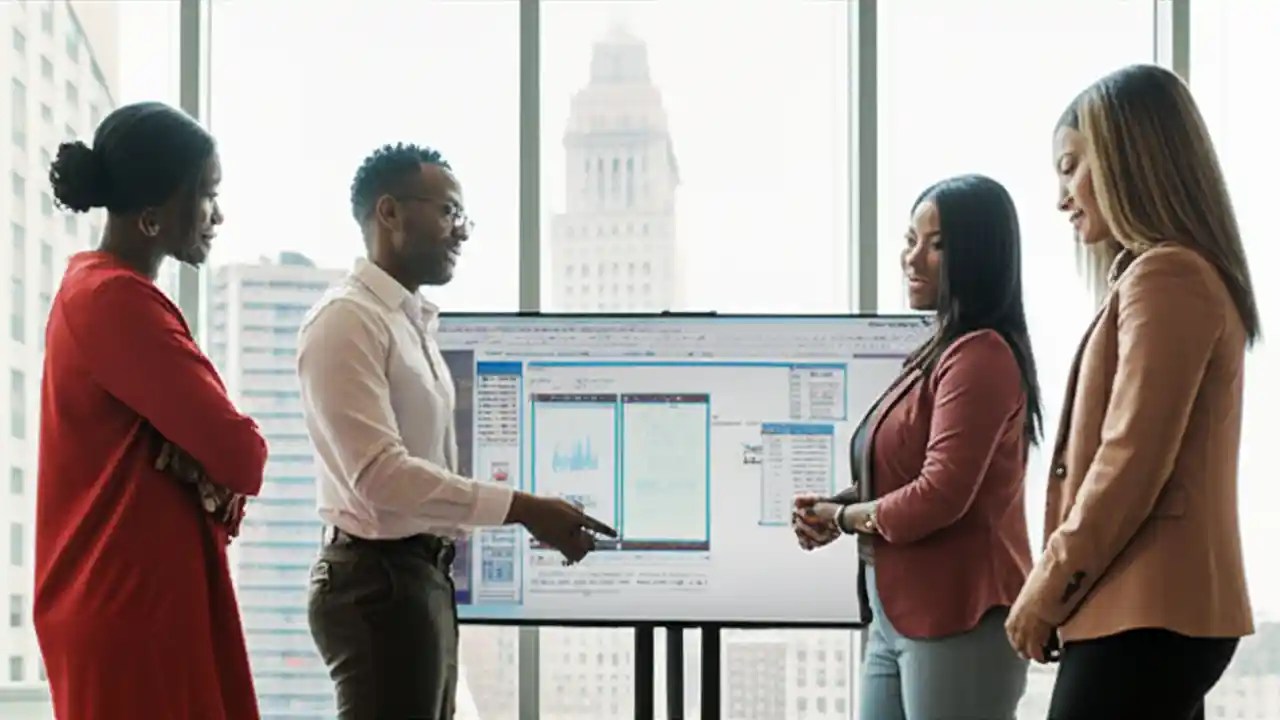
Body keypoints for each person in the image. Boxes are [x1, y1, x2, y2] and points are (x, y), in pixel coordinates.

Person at [299, 143, 618, 720]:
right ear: (389, 213)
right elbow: (379, 477)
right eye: (448, 212)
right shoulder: (347, 320)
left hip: (416, 577)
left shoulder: (407, 323)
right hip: (377, 584)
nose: (461, 231)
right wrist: (524, 508)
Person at [1005, 63, 1259, 720]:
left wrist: (1049, 585)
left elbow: (1130, 459)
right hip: (1157, 611)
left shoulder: (1166, 275)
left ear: (1126, 160)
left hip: (1145, 610)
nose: (1062, 196)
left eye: (1070, 167)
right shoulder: (1169, 275)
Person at [35, 102, 268, 719]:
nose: (217, 215)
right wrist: (204, 462)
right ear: (153, 215)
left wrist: (201, 460)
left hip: (128, 598)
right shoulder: (116, 301)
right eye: (206, 195)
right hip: (129, 605)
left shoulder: (98, 291)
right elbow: (242, 454)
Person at [793, 174, 1042, 720]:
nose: (913, 257)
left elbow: (940, 494)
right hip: (896, 616)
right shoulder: (935, 354)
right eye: (910, 240)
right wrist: (835, 508)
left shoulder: (981, 356)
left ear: (977, 257)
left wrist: (843, 517)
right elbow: (902, 472)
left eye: (937, 245)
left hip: (958, 617)